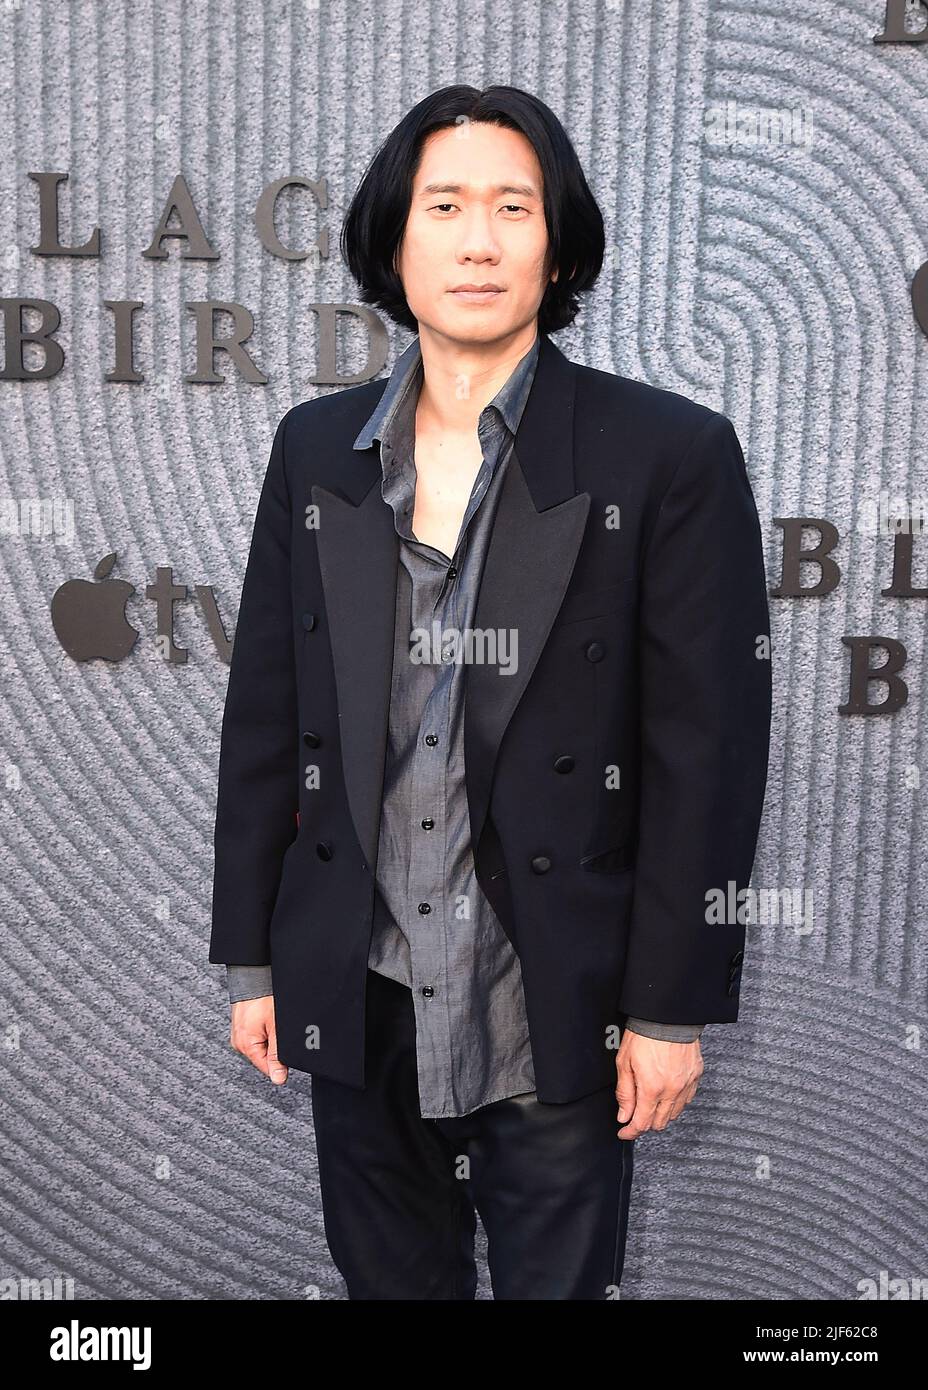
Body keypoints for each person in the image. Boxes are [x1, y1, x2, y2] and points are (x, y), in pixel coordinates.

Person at [209, 83, 772, 1300]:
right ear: (392, 239)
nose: (478, 239)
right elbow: (268, 710)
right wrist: (256, 960)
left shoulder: (666, 453)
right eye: (445, 205)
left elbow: (705, 753)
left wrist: (669, 1010)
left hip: (552, 999)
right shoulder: (318, 448)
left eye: (512, 207)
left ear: (556, 241)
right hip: (361, 987)